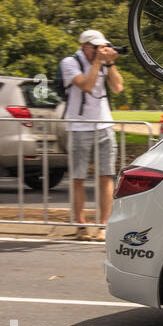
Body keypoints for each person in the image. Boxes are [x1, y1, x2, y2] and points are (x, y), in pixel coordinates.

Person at [61, 30, 124, 239]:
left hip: (104, 124)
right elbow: (87, 86)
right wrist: (98, 62)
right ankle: (80, 225)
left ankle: (103, 225)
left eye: (103, 46)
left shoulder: (104, 62)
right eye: (96, 46)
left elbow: (117, 88)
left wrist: (110, 64)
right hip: (79, 126)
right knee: (78, 177)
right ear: (85, 46)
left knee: (105, 175)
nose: (101, 50)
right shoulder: (70, 63)